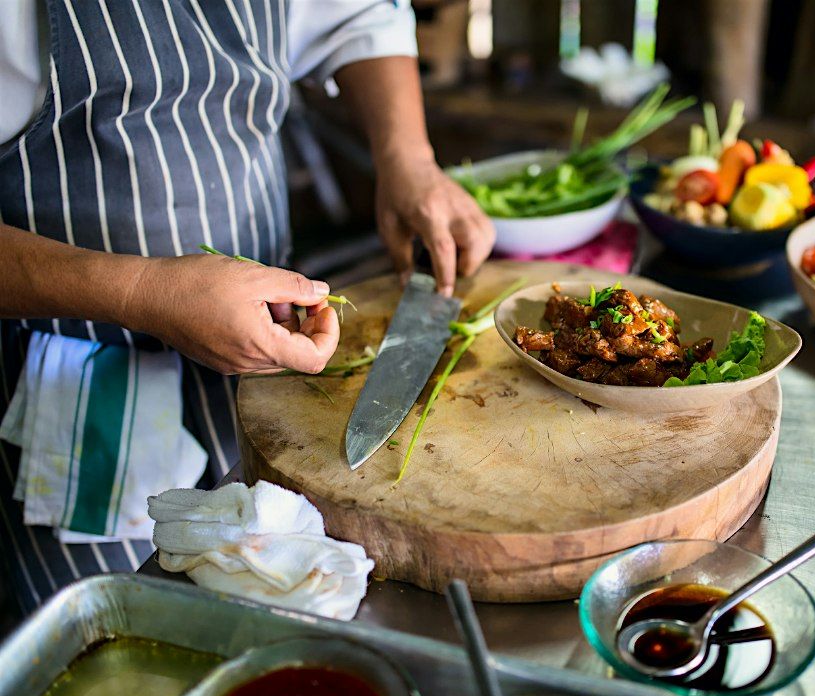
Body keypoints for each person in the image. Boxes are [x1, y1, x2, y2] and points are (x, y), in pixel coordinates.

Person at [0, 0, 494, 615]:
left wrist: (409, 159)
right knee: (136, 643)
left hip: (273, 378)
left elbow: (360, 15)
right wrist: (139, 295)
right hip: (81, 401)